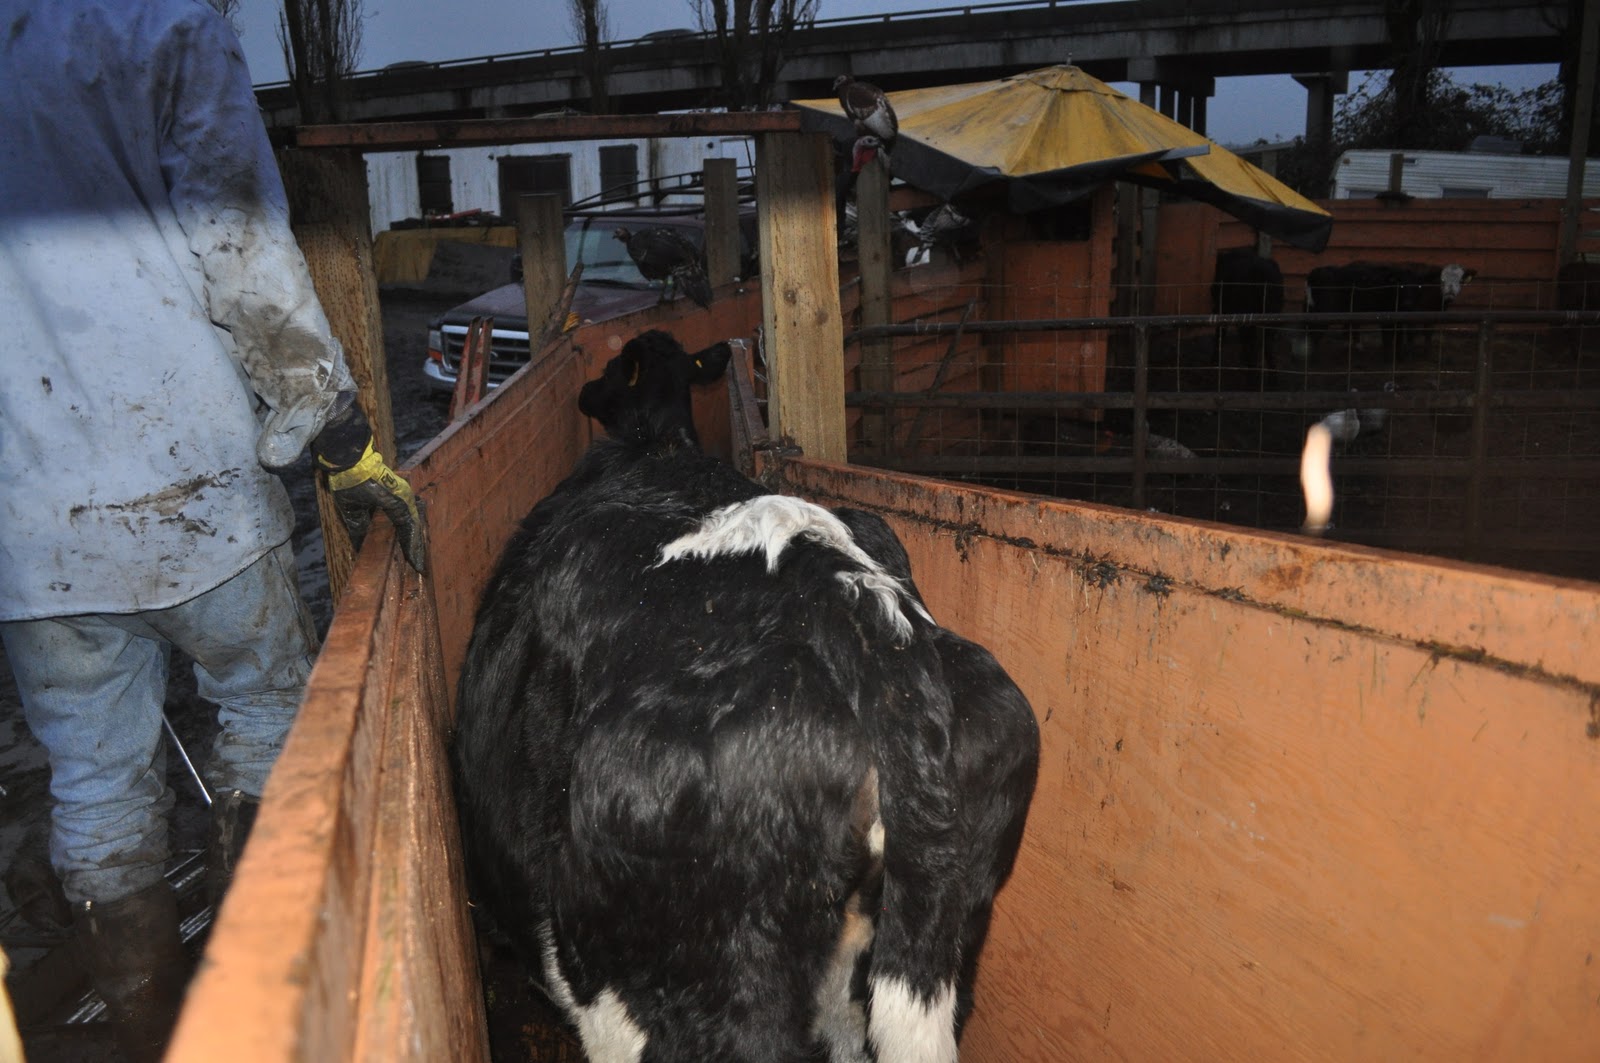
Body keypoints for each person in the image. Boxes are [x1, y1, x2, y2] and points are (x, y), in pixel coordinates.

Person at [0, 1, 426, 1057]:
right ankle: (263, 1019)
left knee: (94, 784)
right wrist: (335, 429)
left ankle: (151, 1034)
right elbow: (238, 243)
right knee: (271, 723)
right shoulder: (163, 19)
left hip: (33, 527)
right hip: (192, 484)